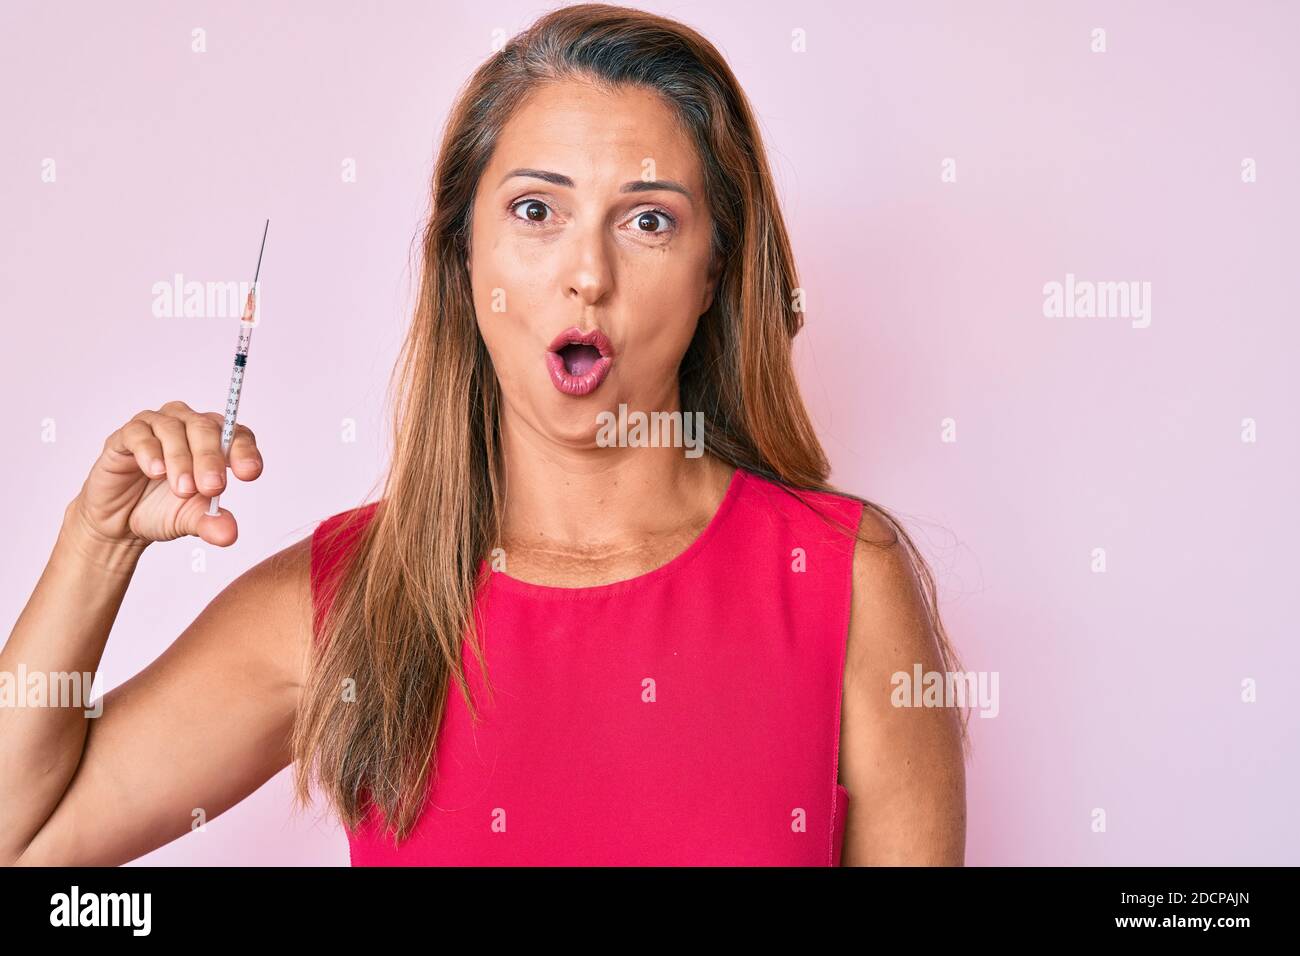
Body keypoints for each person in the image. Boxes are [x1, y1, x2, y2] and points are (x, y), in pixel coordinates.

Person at [1, 3, 967, 867]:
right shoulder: (346, 599)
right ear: (466, 258)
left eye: (648, 221)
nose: (587, 272)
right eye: (537, 211)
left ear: (715, 274)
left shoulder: (842, 577)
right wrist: (98, 545)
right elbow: (22, 841)